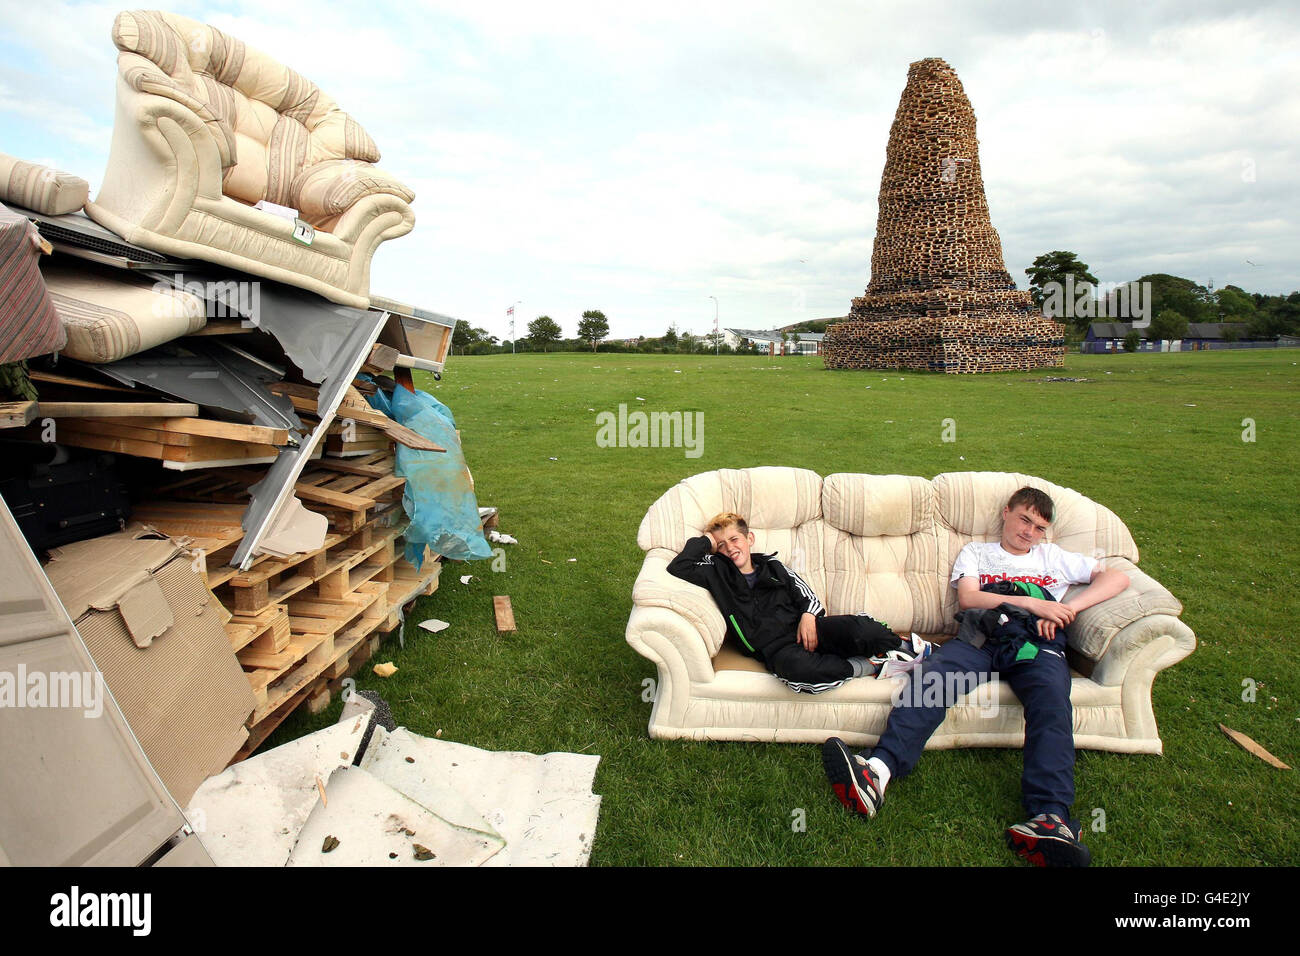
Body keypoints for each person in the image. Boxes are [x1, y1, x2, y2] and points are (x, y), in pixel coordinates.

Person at [821, 486, 1130, 867]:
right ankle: (877, 774)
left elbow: (1117, 579)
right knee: (935, 678)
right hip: (981, 637)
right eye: (1024, 519)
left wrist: (1066, 609)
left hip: (1036, 642)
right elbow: (969, 598)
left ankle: (1049, 818)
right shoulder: (977, 553)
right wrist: (1030, 601)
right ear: (1006, 513)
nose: (1029, 531)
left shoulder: (1056, 558)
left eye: (1039, 527)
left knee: (1051, 700)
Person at [667, 511, 925, 693]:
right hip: (775, 648)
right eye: (722, 545)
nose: (730, 547)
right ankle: (873, 665)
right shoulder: (716, 571)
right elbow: (679, 566)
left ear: (750, 539)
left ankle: (906, 646)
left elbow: (808, 596)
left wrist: (808, 616)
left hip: (808, 629)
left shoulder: (774, 567)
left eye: (734, 539)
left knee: (862, 629)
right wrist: (708, 542)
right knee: (802, 671)